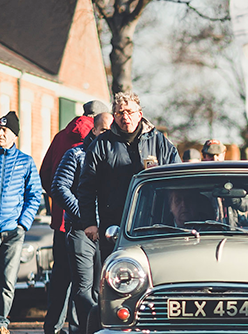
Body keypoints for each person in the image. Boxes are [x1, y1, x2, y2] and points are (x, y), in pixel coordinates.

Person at [76, 92, 179, 257]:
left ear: (140, 114)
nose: (125, 117)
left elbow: (177, 182)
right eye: (119, 113)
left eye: (129, 112)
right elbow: (86, 187)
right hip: (115, 225)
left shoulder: (160, 143)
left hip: (156, 223)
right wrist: (89, 223)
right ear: (114, 116)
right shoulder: (101, 145)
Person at [0, 111, 41, 334]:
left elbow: (34, 195)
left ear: (15, 135)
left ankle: (1, 324)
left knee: (7, 281)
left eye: (5, 130)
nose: (0, 133)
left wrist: (23, 224)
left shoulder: (26, 162)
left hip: (13, 232)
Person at [38, 108, 101, 334]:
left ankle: (53, 325)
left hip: (63, 220)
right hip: (87, 223)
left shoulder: (61, 137)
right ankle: (79, 328)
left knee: (61, 276)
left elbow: (46, 175)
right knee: (86, 280)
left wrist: (60, 206)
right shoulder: (100, 142)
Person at [52, 133, 96, 334]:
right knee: (83, 284)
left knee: (94, 285)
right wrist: (85, 215)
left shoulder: (113, 152)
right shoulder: (76, 154)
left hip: (105, 228)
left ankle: (90, 331)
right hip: (80, 227)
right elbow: (59, 186)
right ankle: (86, 332)